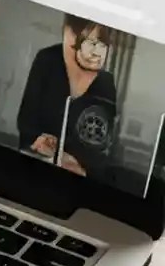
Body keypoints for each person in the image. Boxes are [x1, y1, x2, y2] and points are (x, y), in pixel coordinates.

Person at [17, 14, 118, 178]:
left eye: (100, 43)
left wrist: (73, 160)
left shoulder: (106, 82)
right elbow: (26, 120)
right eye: (86, 40)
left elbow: (100, 146)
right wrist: (40, 142)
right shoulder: (48, 60)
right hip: (36, 167)